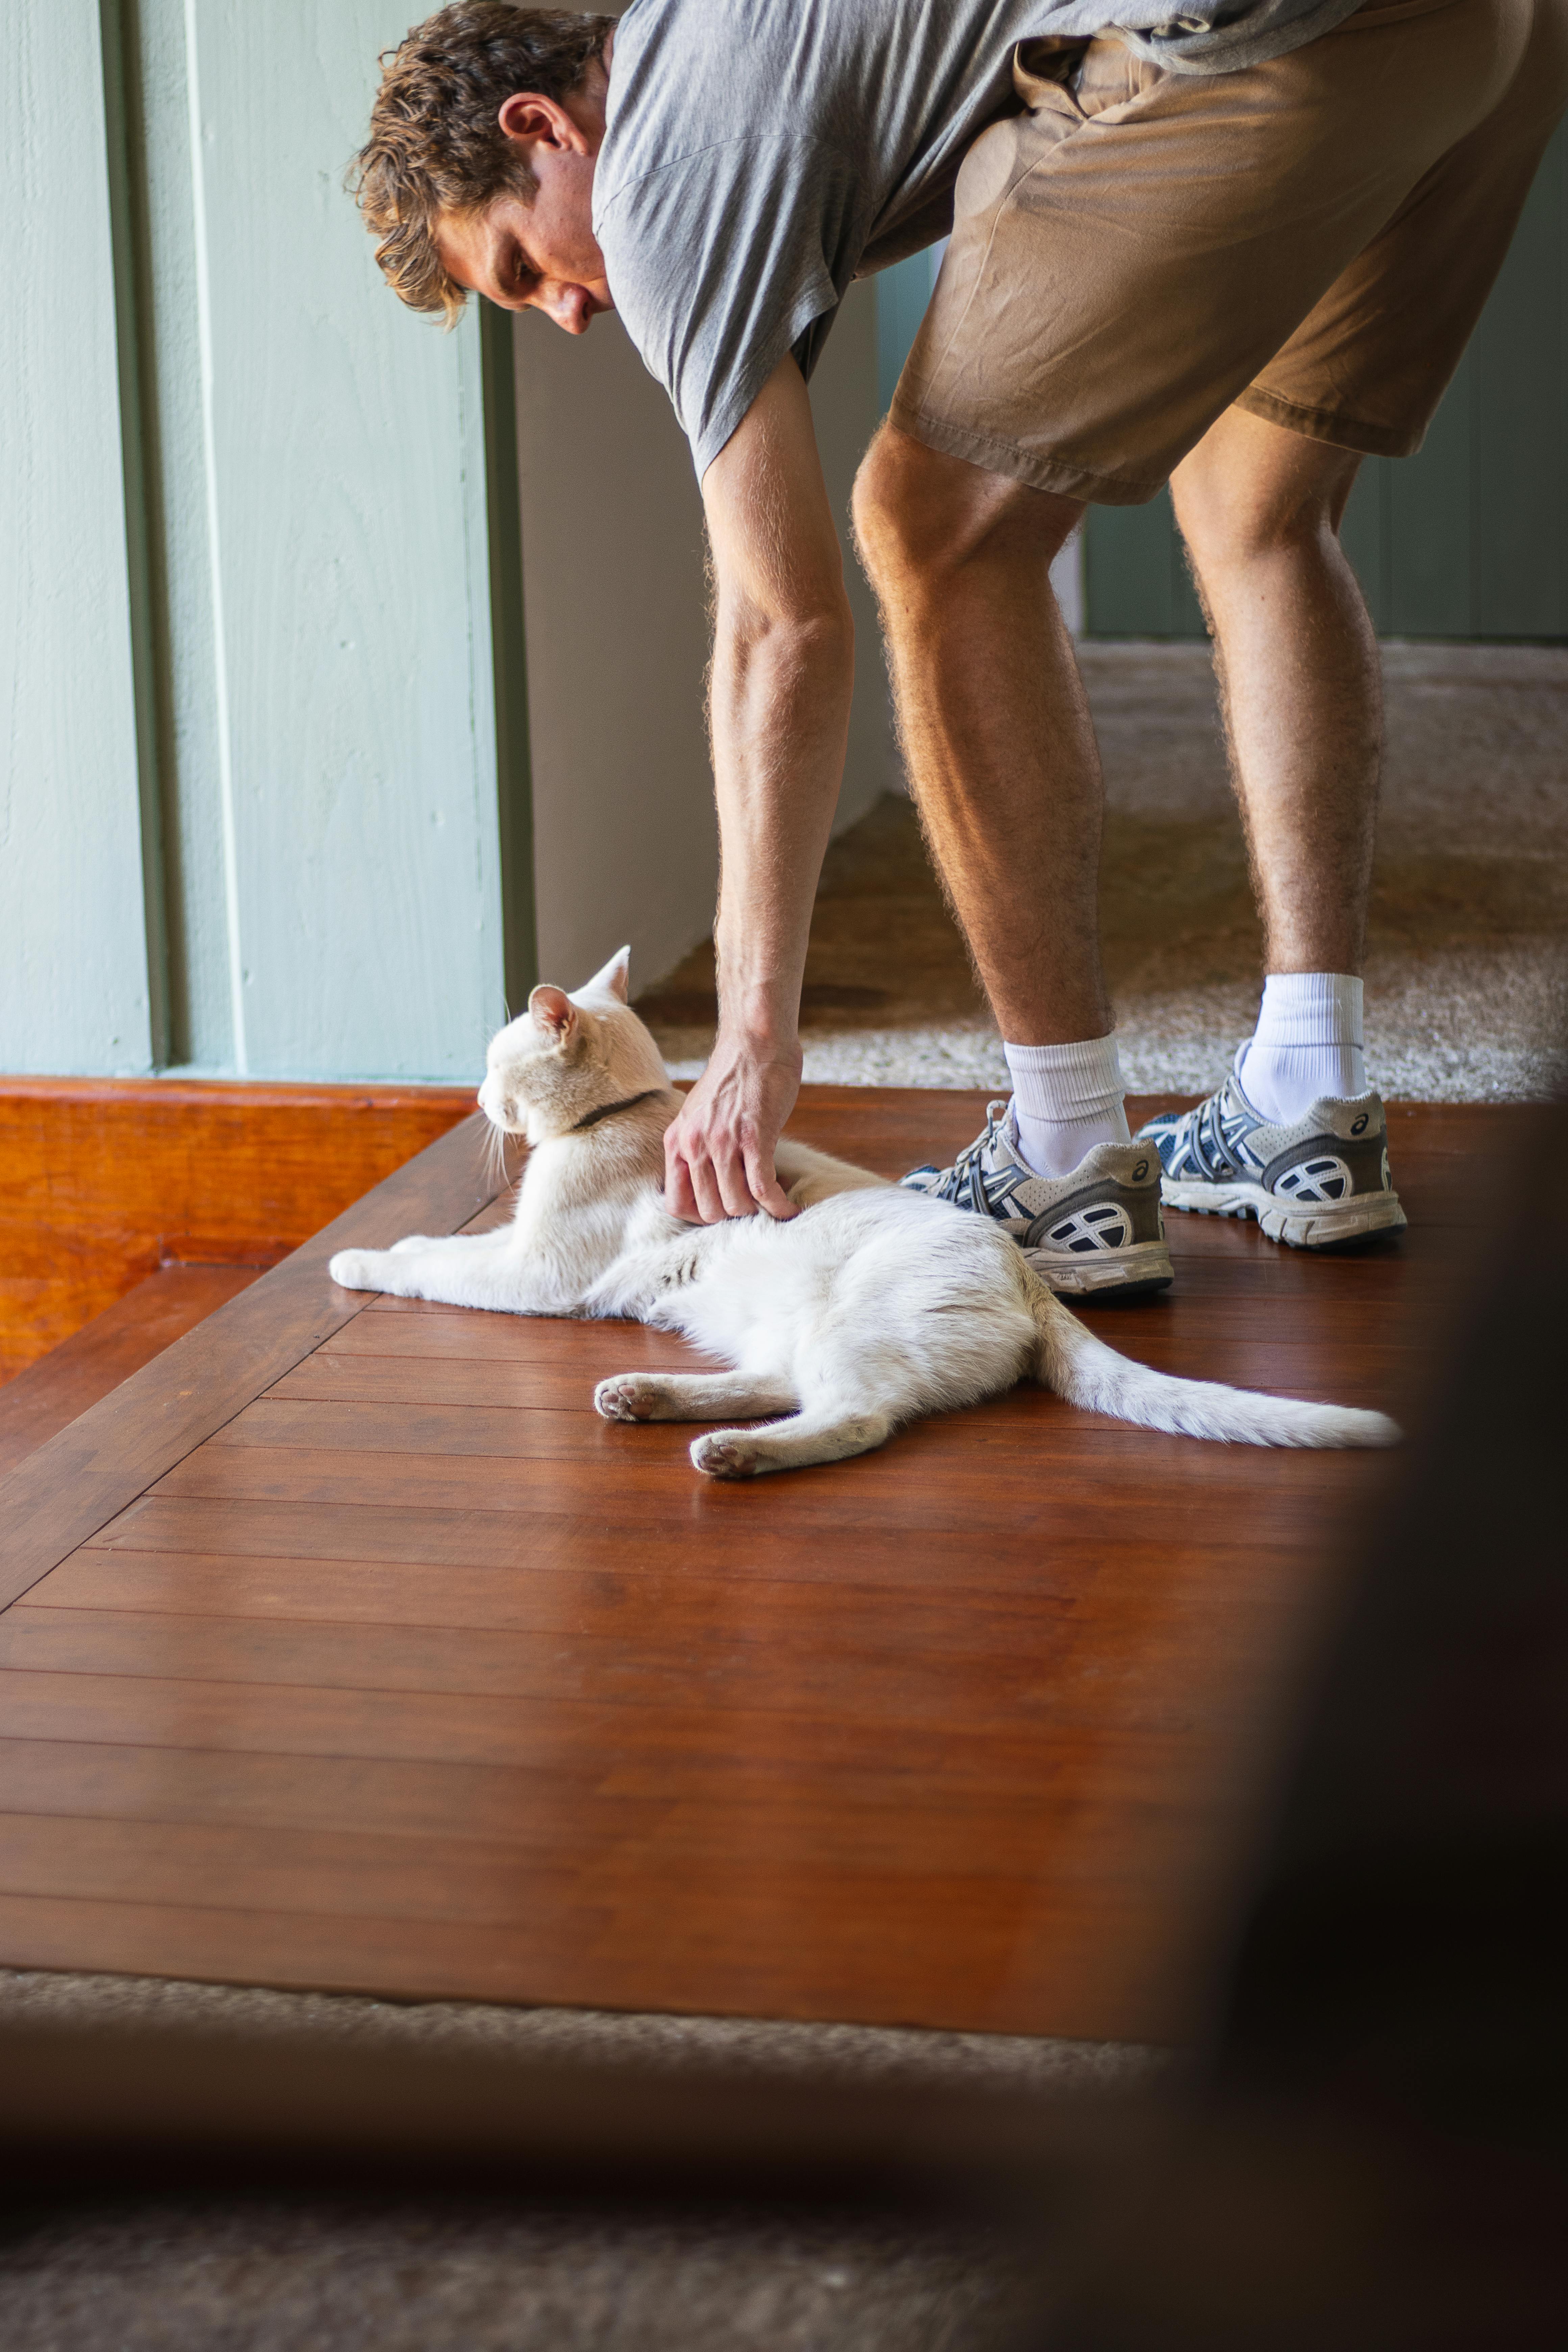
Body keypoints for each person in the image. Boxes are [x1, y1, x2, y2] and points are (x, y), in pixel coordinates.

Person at [352, 0, 1567, 1296]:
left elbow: (782, 626)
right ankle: (1308, 1100)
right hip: (1490, 36)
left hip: (1250, 38)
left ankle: (1065, 1154)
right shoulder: (726, 37)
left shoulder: (655, 174)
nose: (562, 315)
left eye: (522, 269)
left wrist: (755, 1032)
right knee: (1257, 510)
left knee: (931, 527)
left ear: (541, 127)